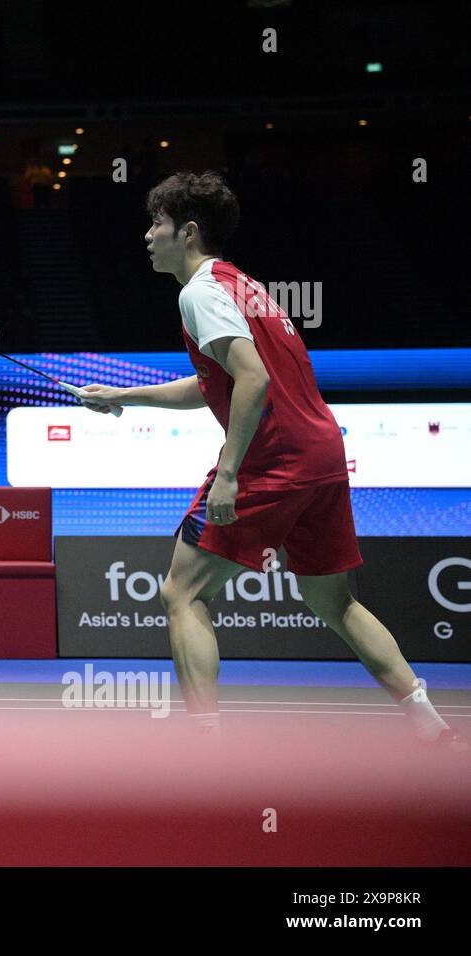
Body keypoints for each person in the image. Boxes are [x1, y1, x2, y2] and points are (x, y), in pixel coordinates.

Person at [80, 170, 464, 751]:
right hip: (322, 454)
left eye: (156, 224)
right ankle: (428, 722)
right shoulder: (241, 285)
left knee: (181, 594)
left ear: (187, 232)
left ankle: (203, 744)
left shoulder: (199, 292)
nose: (147, 236)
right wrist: (123, 397)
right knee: (334, 601)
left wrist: (229, 474)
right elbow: (218, 379)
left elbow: (253, 380)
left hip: (273, 457)